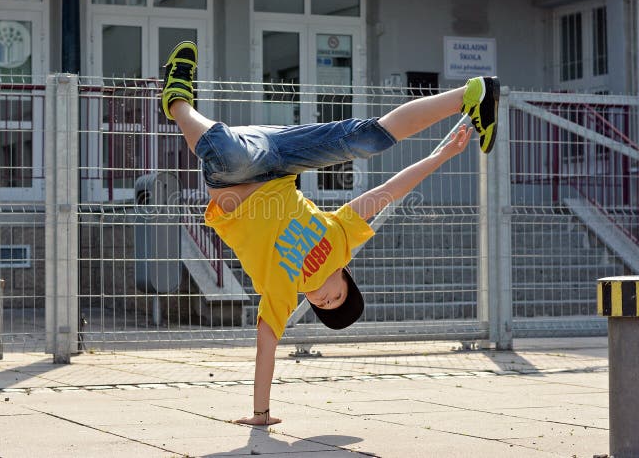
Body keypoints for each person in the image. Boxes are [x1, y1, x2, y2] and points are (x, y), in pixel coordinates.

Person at [161, 41, 499, 425]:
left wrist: (261, 414)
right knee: (368, 139)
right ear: (344, 273)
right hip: (281, 160)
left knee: (227, 153)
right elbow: (386, 194)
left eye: (322, 305)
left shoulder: (282, 289)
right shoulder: (341, 240)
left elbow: (265, 347)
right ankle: (473, 93)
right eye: (336, 295)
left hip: (236, 175)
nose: (323, 296)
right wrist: (439, 157)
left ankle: (177, 99)